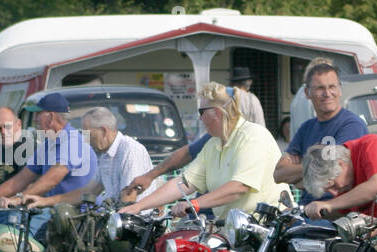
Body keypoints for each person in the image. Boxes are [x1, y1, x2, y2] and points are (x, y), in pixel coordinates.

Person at [121, 81, 285, 217]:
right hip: (235, 229)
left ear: (217, 113)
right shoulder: (213, 144)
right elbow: (183, 183)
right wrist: (138, 206)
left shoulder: (252, 136)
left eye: (201, 112)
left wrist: (194, 203)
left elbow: (239, 187)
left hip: (267, 229)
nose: (200, 119)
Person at [0, 93, 98, 239]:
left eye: (38, 114)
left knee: (13, 239)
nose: (34, 119)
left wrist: (19, 199)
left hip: (76, 215)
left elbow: (50, 180)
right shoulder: (48, 143)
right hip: (51, 210)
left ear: (51, 117)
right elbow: (21, 180)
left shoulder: (72, 141)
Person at [273, 58, 368, 202]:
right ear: (307, 92)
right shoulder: (306, 128)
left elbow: (336, 172)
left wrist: (301, 174)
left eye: (332, 87)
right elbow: (279, 173)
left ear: (340, 90)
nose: (327, 93)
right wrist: (316, 170)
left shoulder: (352, 125)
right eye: (320, 88)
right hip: (306, 208)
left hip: (336, 209)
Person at [24, 106, 151, 208]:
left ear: (103, 131)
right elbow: (88, 192)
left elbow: (129, 198)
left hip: (135, 226)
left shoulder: (129, 149)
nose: (85, 139)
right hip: (115, 221)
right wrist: (44, 201)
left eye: (88, 133)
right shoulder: (104, 155)